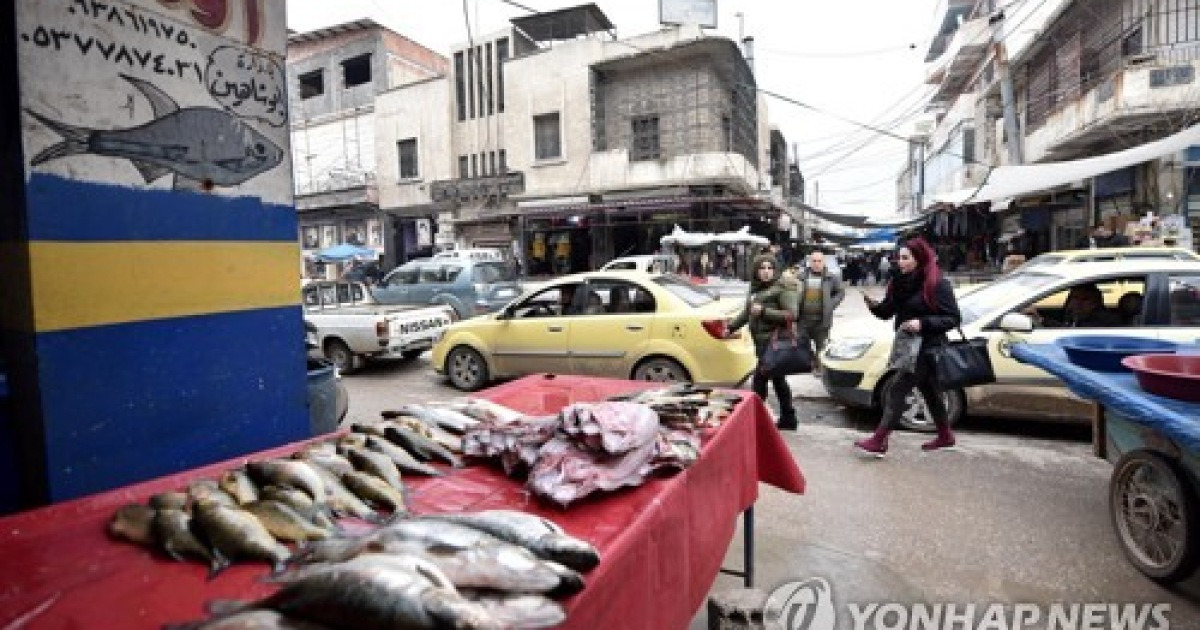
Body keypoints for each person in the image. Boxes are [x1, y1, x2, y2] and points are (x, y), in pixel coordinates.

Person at [855, 238, 962, 456]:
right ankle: (945, 435)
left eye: (905, 258)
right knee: (929, 391)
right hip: (908, 346)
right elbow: (888, 312)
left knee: (897, 389)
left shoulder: (936, 283)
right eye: (899, 258)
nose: (900, 262)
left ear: (919, 259)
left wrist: (922, 323)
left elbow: (953, 318)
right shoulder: (900, 282)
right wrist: (873, 306)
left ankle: (880, 440)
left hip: (928, 347)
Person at [727, 254, 801, 430]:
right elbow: (747, 313)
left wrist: (764, 312)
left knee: (759, 382)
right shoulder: (756, 289)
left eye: (770, 268)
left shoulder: (783, 288)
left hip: (773, 345)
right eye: (762, 268)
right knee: (778, 381)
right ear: (756, 271)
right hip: (761, 345)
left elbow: (791, 315)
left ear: (775, 270)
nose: (766, 272)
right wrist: (730, 327)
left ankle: (756, 421)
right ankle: (788, 419)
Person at [798, 252, 845, 375]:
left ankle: (820, 369)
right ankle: (812, 362)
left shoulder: (831, 277)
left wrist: (831, 304)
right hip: (803, 319)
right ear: (810, 262)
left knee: (822, 347)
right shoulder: (801, 277)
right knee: (801, 344)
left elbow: (840, 292)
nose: (817, 264)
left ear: (823, 262)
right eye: (814, 261)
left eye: (819, 261)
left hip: (822, 320)